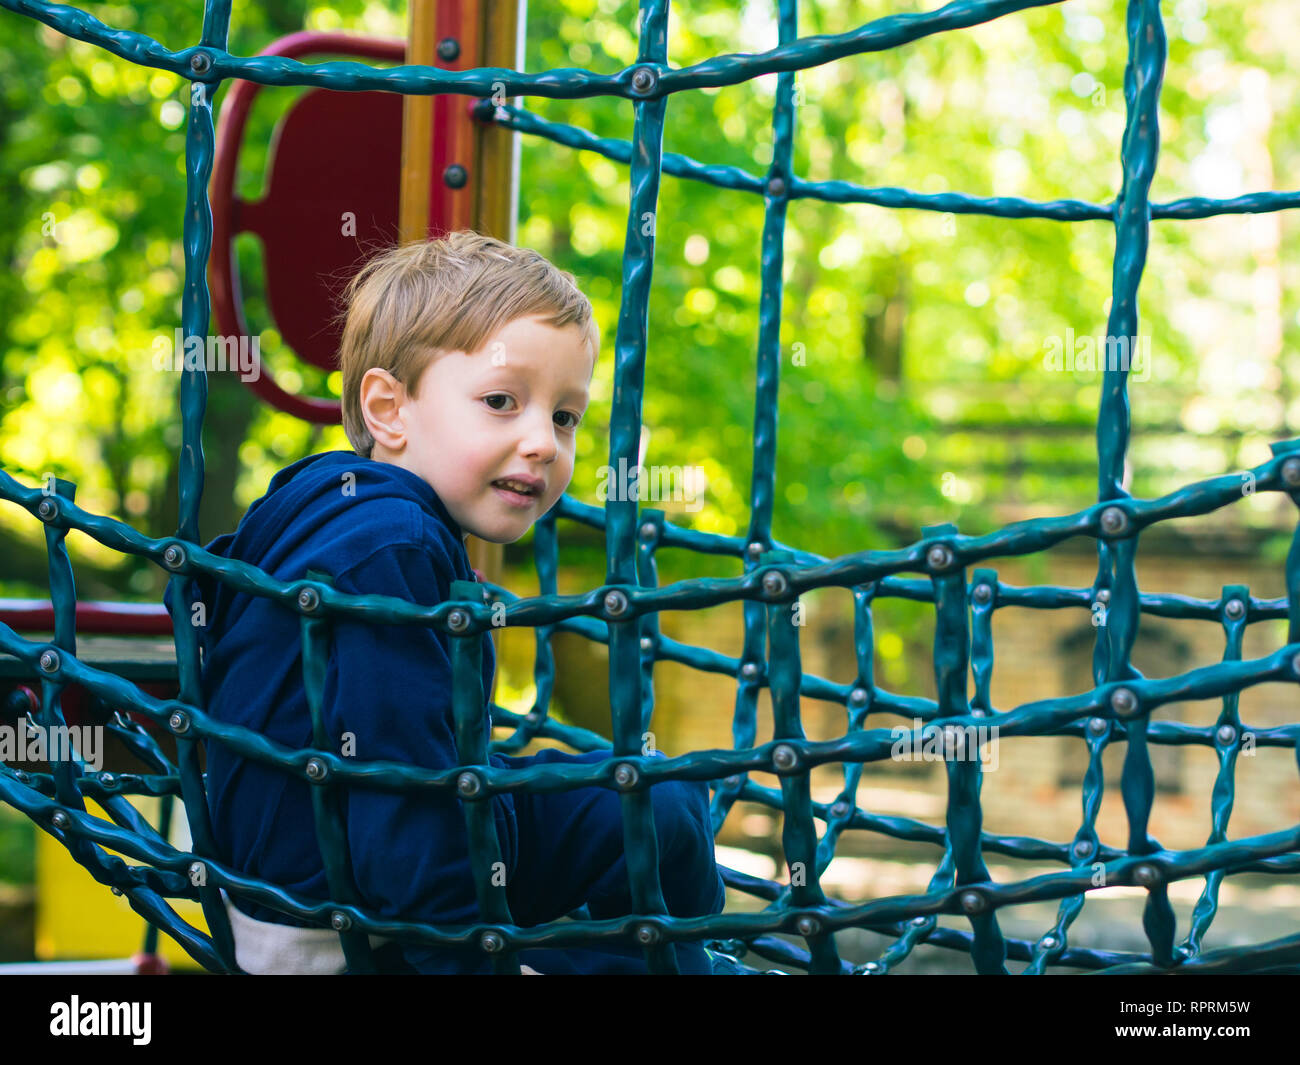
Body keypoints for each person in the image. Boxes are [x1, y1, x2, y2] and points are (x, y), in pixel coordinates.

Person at [164, 231, 726, 974]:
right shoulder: (391, 547)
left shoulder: (321, 498)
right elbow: (405, 824)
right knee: (662, 818)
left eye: (564, 416)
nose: (543, 443)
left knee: (650, 800)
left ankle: (669, 943)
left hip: (292, 876)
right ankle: (691, 961)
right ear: (388, 408)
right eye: (501, 401)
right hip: (353, 930)